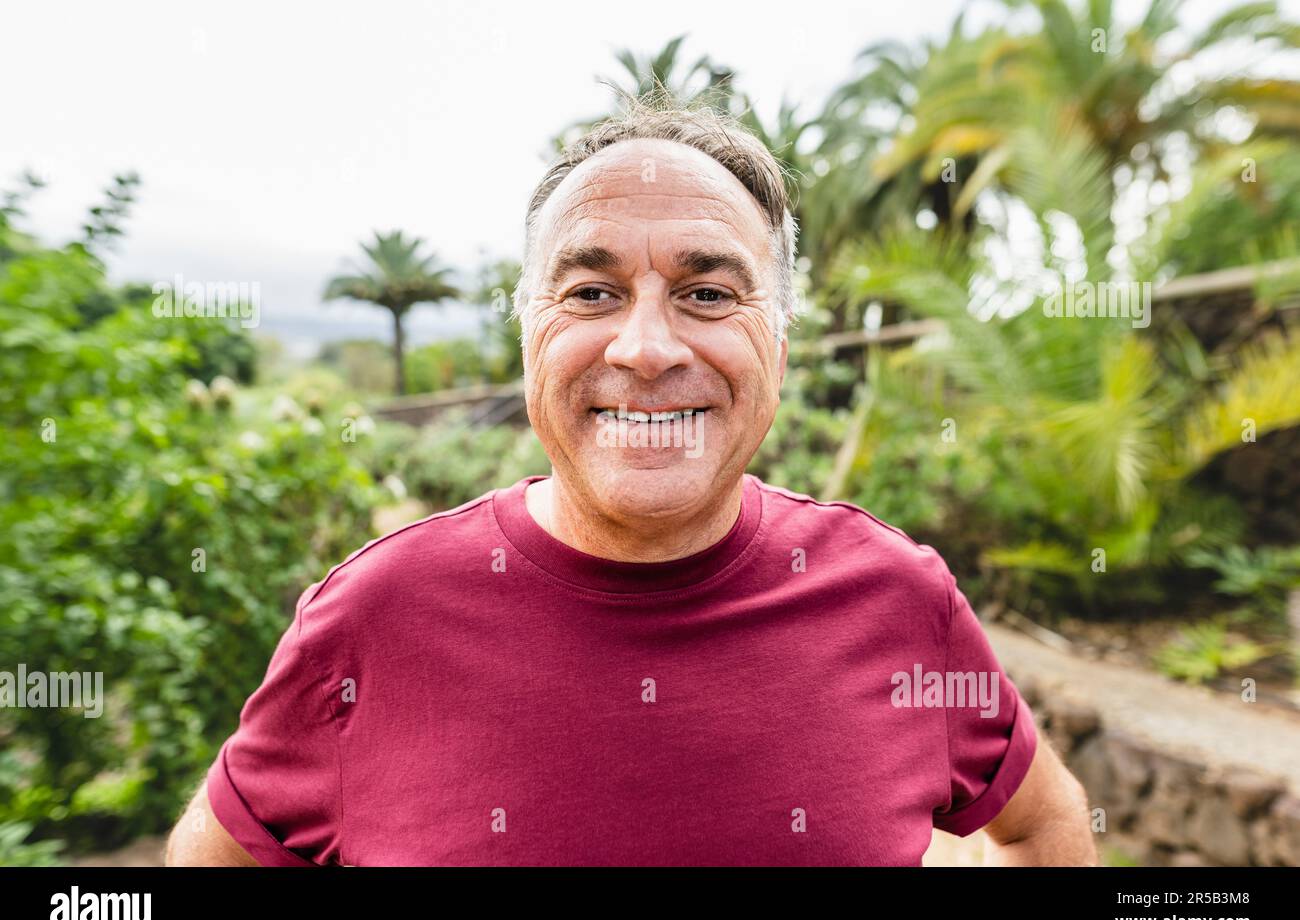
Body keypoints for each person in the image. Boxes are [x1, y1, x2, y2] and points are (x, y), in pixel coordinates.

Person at [167, 99, 1097, 866]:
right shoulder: (374, 617)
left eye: (708, 293)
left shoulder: (896, 600)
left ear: (779, 340)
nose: (646, 348)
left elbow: (1046, 829)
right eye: (592, 292)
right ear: (529, 330)